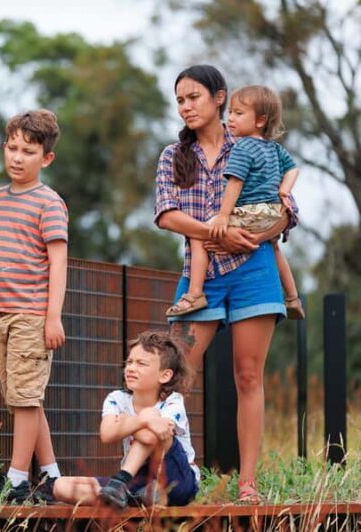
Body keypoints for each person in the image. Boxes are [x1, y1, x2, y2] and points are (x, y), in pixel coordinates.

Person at [154, 65, 298, 504]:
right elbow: (166, 215)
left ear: (220, 98)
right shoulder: (172, 156)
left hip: (254, 271)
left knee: (248, 375)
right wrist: (216, 232)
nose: (185, 106)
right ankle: (167, 478)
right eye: (179, 100)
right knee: (170, 375)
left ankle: (248, 485)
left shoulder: (255, 145)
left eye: (193, 97)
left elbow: (286, 209)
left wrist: (257, 230)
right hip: (200, 275)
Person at [0, 110, 67, 503]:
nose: (16, 157)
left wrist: (52, 317)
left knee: (25, 398)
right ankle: (50, 474)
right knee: (22, 396)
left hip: (32, 313)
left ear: (46, 158)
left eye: (28, 151)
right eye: (11, 148)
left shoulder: (49, 203)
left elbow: (58, 262)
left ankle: (17, 480)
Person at [167, 84, 304, 320]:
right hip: (270, 212)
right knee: (274, 246)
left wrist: (221, 217)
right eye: (180, 100)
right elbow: (293, 171)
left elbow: (235, 184)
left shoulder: (242, 147)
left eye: (238, 113)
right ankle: (292, 297)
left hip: (249, 220)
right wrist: (284, 191)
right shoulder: (274, 148)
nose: (231, 118)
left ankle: (195, 293)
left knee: (198, 232)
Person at [52, 331, 198, 508]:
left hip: (177, 481)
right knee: (61, 486)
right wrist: (143, 419)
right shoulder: (117, 398)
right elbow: (107, 434)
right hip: (139, 480)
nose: (131, 368)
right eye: (129, 362)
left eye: (141, 364)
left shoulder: (173, 401)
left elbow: (152, 436)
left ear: (164, 375)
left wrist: (124, 422)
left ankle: (121, 482)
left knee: (153, 431)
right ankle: (131, 498)